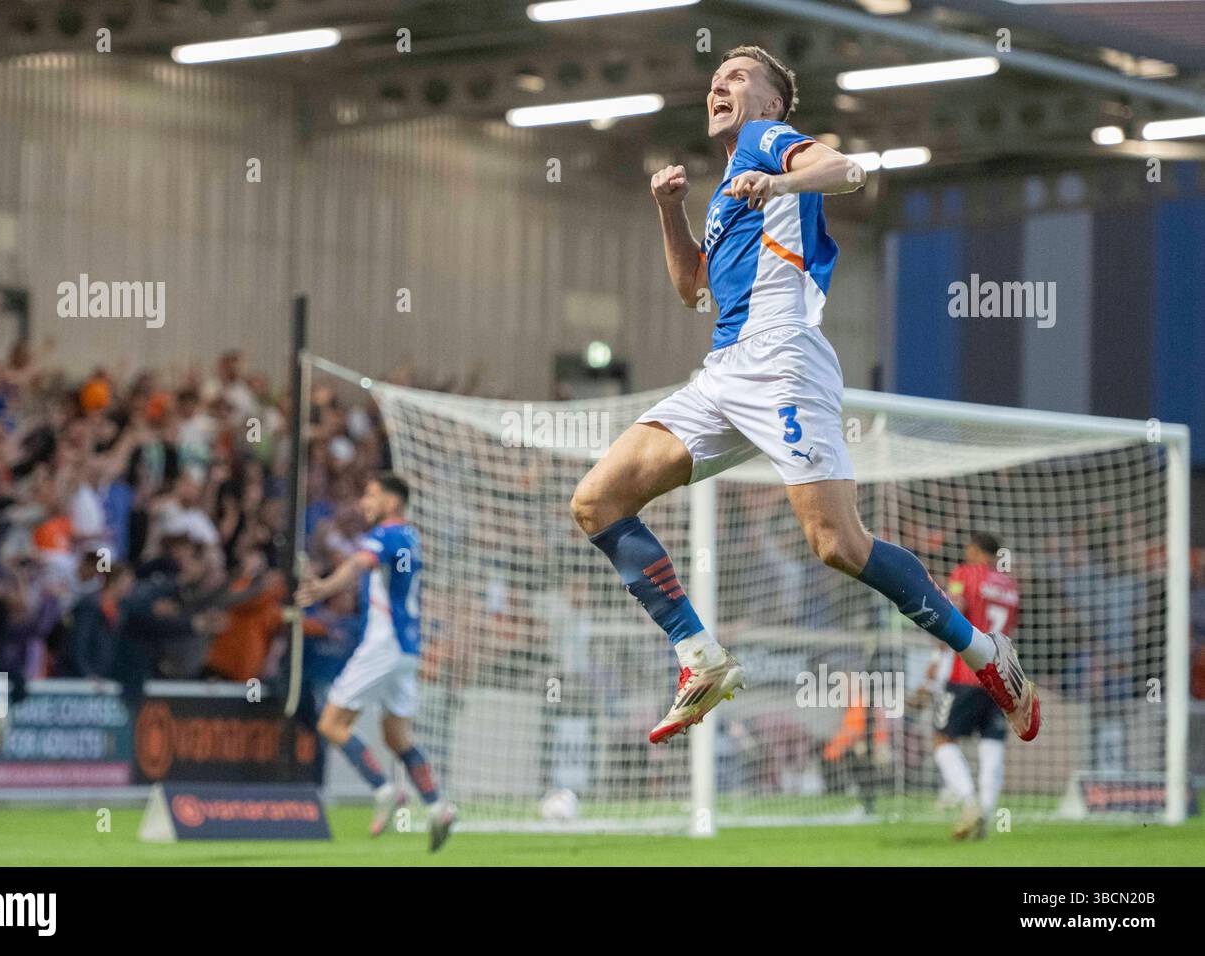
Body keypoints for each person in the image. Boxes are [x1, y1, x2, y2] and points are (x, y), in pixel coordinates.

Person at [569, 45, 1040, 745]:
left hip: (784, 357)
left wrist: (783, 184)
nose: (717, 88)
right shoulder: (731, 182)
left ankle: (982, 651)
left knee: (838, 545)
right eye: (713, 80)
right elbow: (691, 290)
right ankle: (700, 658)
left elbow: (848, 171)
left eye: (735, 79)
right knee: (596, 501)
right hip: (725, 370)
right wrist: (671, 211)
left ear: (770, 104)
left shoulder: (767, 143)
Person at [295, 472, 456, 852]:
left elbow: (358, 565)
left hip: (383, 644)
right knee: (396, 736)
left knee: (331, 723)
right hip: (408, 648)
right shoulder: (412, 537)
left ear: (392, 502)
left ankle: (383, 789)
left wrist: (322, 587)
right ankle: (437, 806)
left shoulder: (384, 535)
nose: (364, 503)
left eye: (371, 495)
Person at [926, 532, 1020, 839]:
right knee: (991, 741)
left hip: (967, 673)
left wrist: (938, 654)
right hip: (1003, 676)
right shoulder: (1010, 586)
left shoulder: (965, 573)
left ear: (975, 551)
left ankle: (969, 802)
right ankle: (988, 811)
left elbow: (954, 611)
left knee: (942, 738)